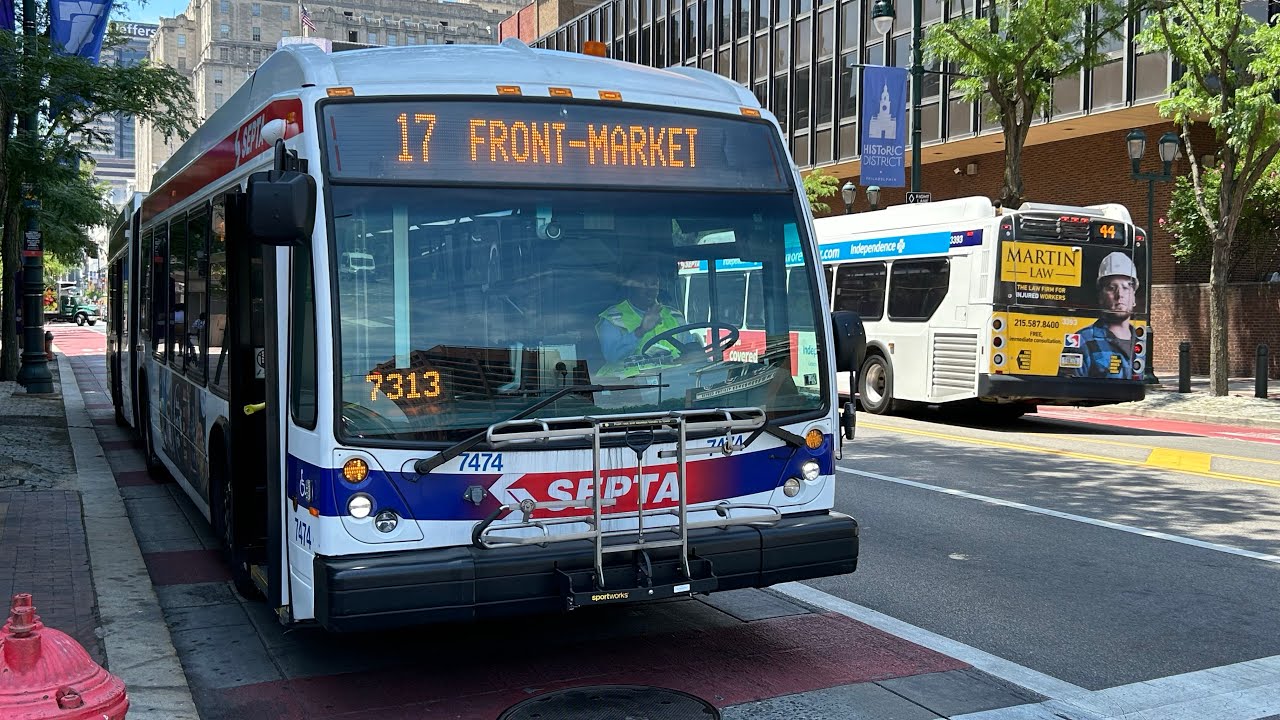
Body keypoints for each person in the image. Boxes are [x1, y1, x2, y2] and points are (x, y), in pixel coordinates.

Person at [596, 266, 694, 375]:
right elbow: (612, 357)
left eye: (654, 284)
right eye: (643, 284)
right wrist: (641, 331)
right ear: (630, 285)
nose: (650, 290)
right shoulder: (614, 317)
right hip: (627, 387)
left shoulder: (675, 315)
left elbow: (690, 350)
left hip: (673, 383)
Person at [1060, 252, 1140, 378]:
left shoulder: (1141, 341)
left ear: (1134, 298)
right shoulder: (1082, 340)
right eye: (1112, 288)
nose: (1120, 295)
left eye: (1126, 287)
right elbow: (1068, 390)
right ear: (1101, 297)